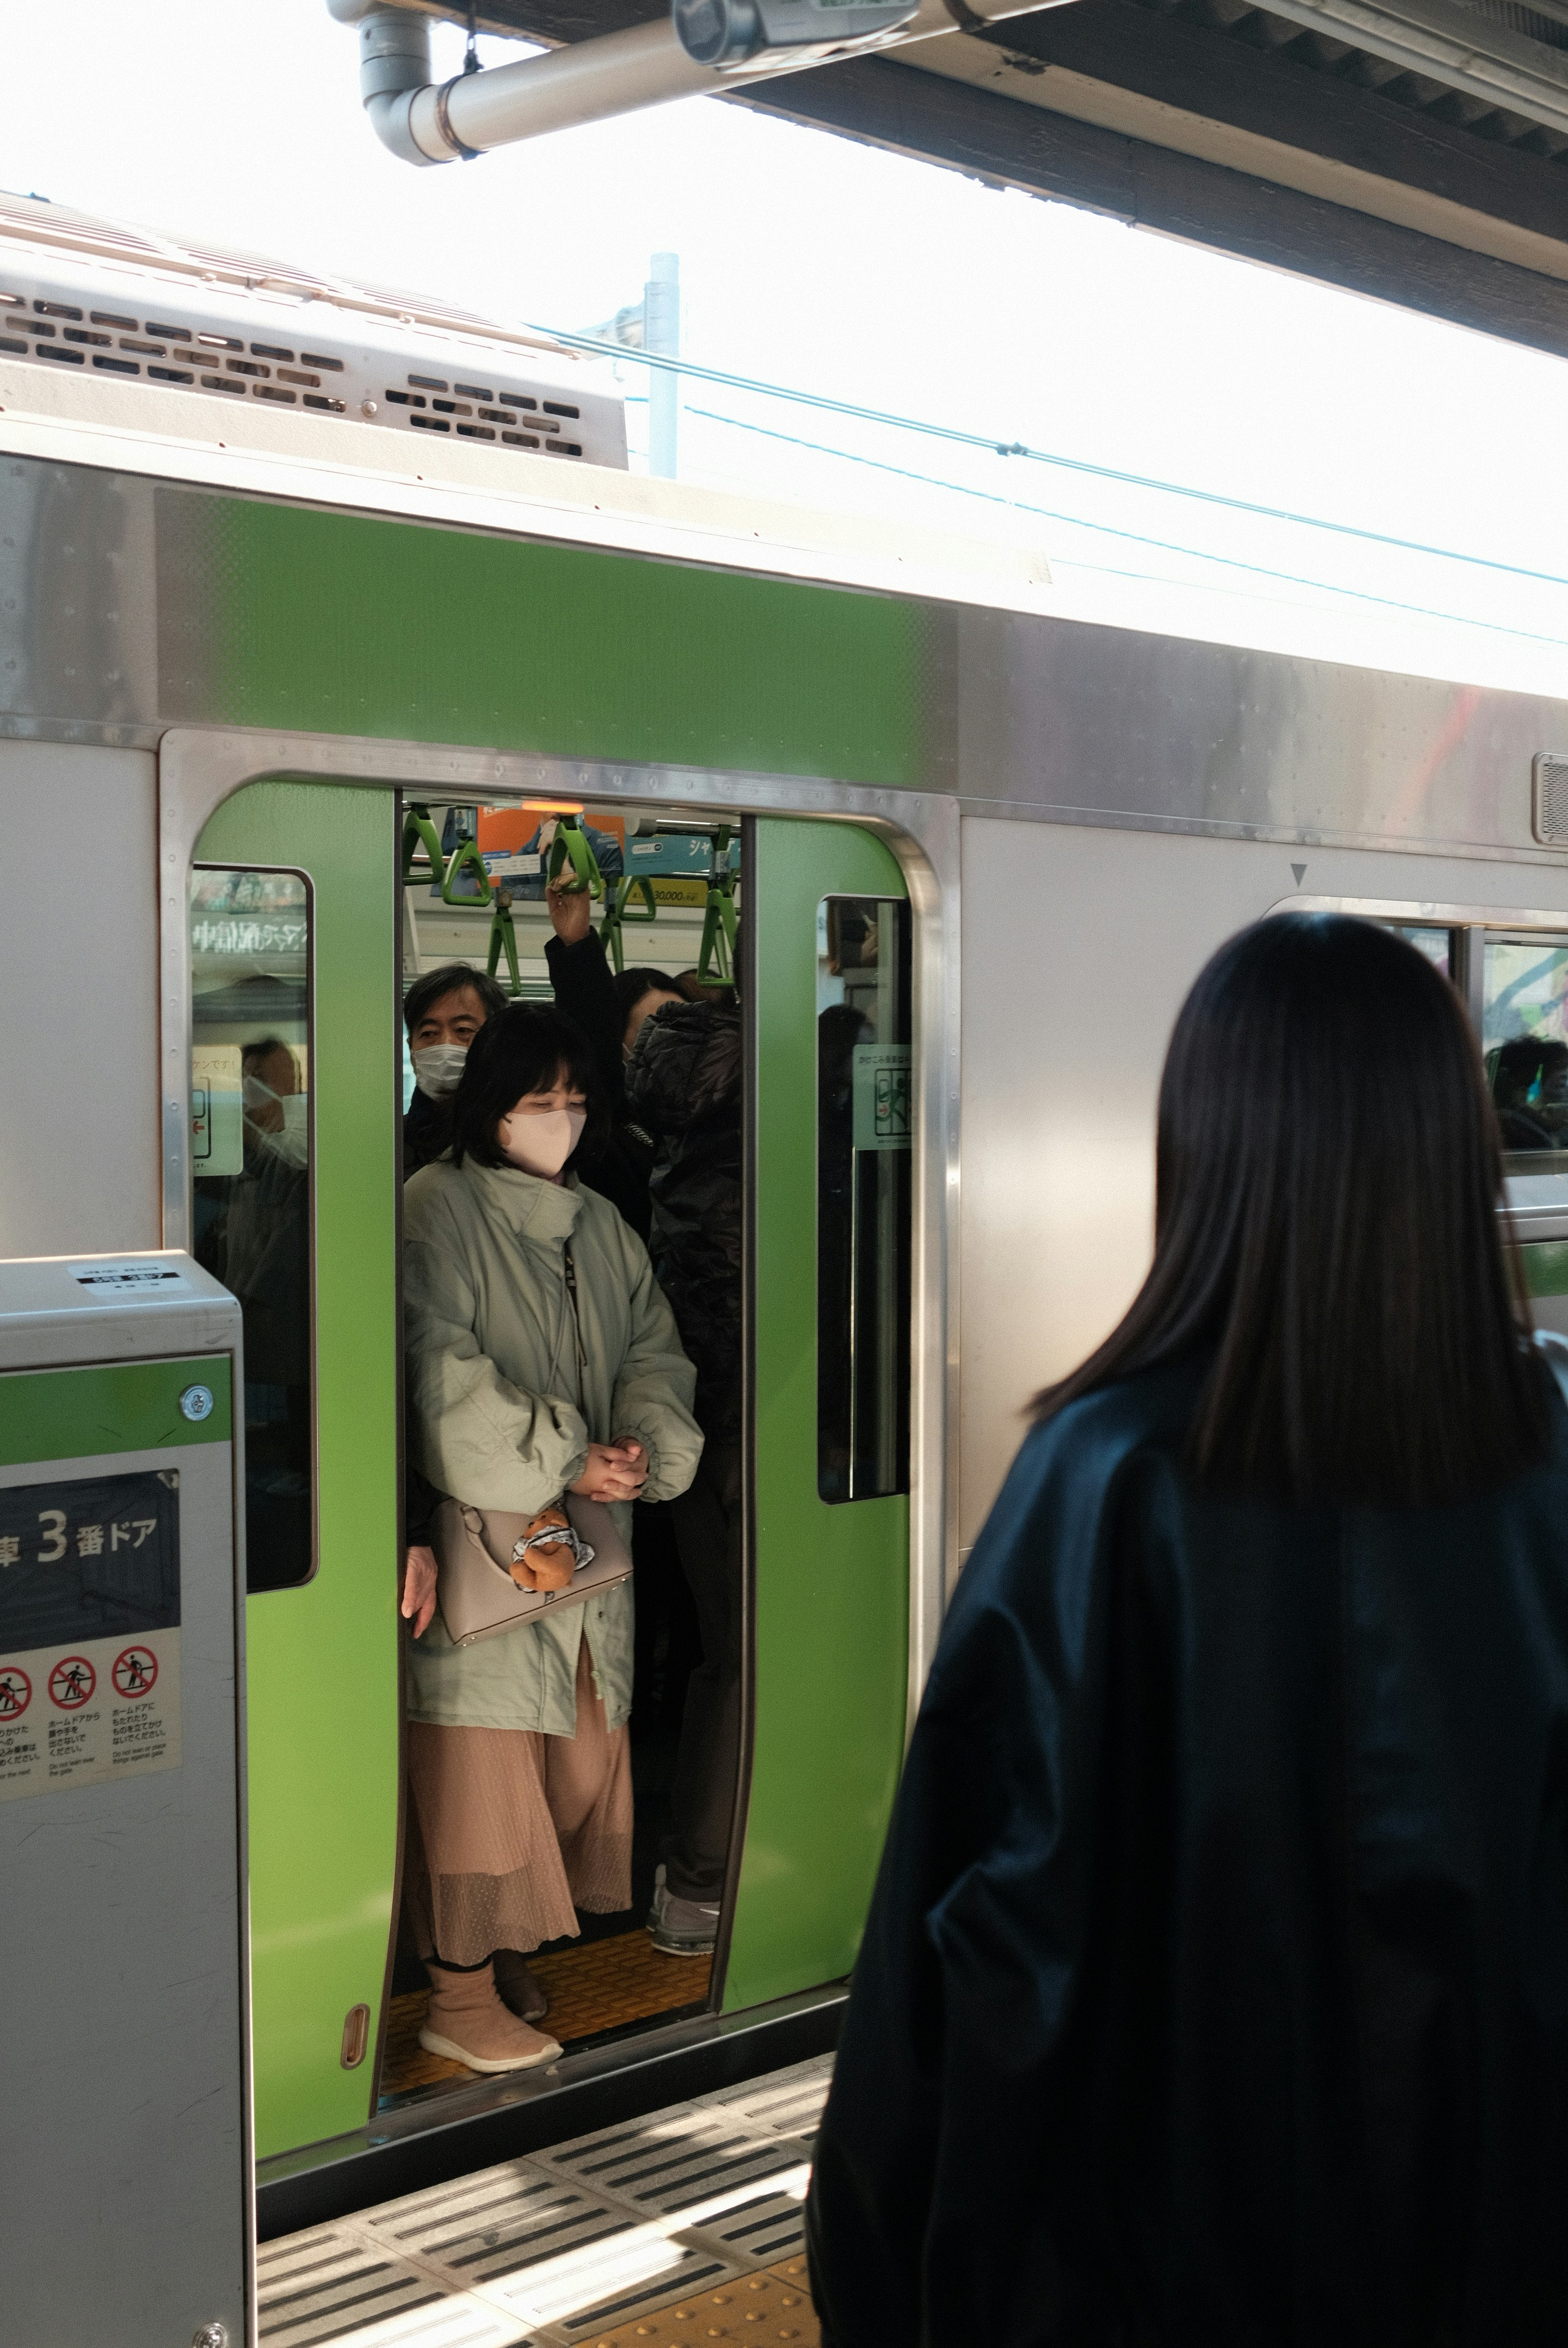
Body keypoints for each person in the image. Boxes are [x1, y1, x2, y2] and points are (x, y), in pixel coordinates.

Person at [807, 913, 1568, 2347]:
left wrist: (878, 2263)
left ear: (1203, 1143)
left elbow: (968, 1918)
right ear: (1452, 1144)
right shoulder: (1548, 1456)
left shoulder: (1099, 1474)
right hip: (1504, 2237)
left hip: (1144, 2264)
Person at [398, 1004, 703, 2073]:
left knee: (571, 1762)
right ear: (491, 1108)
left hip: (581, 1547)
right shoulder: (433, 1210)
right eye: (539, 1103)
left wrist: (641, 1450)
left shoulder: (600, 1224)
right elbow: (434, 1374)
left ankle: (504, 1953)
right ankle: (457, 1993)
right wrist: (564, 1455)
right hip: (482, 1547)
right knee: (478, 1774)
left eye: (577, 1102)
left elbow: (654, 1353)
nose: (562, 1122)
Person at [624, 982, 744, 1956]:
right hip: (774, 1405)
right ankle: (704, 1885)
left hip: (698, 1405)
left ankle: (695, 1888)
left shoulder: (681, 1106)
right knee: (751, 1652)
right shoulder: (777, 1066)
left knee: (725, 1653)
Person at [404, 964, 509, 1175]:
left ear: (497, 1042)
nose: (446, 1045)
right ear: (411, 1051)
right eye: (429, 1033)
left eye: (463, 1030)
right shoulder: (386, 1145)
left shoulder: (521, 1139)